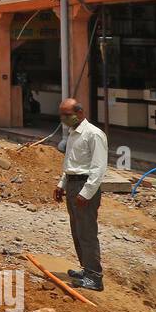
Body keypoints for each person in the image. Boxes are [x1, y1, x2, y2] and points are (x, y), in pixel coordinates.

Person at [55, 97, 109, 292]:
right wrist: (62, 184)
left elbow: (98, 168)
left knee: (87, 232)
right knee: (77, 230)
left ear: (79, 113)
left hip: (84, 187)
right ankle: (86, 270)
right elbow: (71, 163)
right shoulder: (72, 134)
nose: (63, 118)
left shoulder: (93, 135)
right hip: (72, 185)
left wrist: (86, 193)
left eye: (67, 115)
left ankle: (95, 277)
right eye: (61, 115)